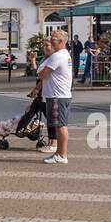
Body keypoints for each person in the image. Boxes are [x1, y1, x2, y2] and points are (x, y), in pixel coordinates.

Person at [37, 30, 72, 164]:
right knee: (58, 125)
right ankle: (59, 153)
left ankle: (62, 155)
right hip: (59, 94)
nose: (51, 41)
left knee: (60, 125)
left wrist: (40, 70)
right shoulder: (63, 55)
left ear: (61, 42)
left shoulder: (57, 56)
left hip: (57, 95)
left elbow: (42, 74)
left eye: (54, 39)